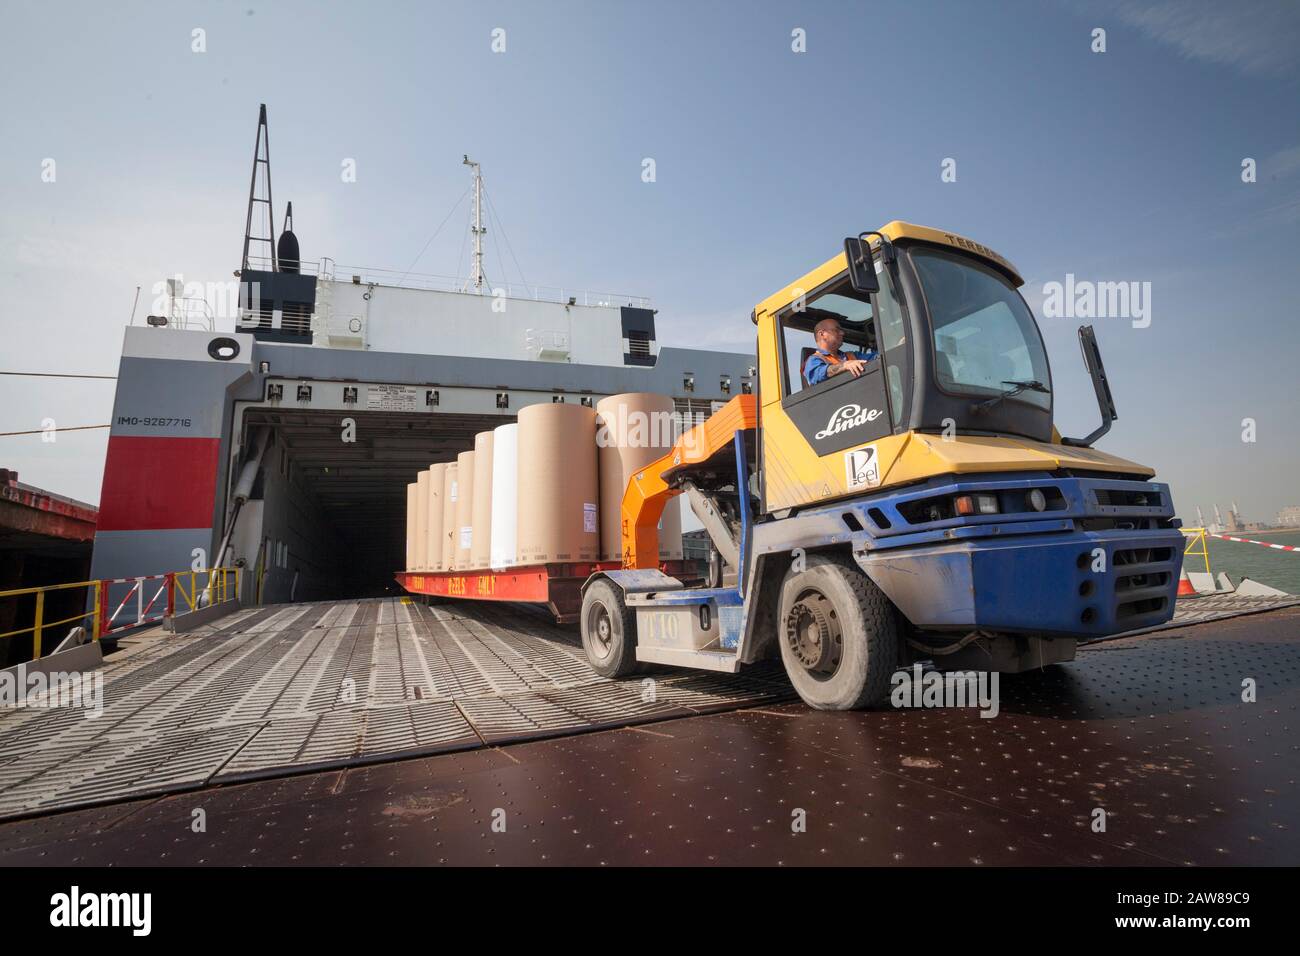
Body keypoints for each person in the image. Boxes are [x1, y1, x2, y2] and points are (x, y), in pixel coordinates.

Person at [804, 318, 878, 385]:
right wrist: (844, 365)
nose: (842, 333)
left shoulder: (853, 356)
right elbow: (818, 375)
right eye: (837, 330)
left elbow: (877, 357)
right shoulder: (813, 360)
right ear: (822, 334)